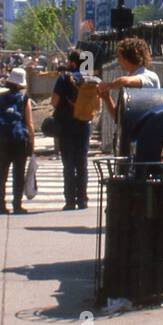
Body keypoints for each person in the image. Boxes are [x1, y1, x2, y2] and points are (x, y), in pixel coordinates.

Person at [0, 68, 35, 215]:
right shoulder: (23, 99)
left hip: (2, 139)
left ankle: (0, 206)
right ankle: (17, 205)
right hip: (19, 139)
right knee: (18, 173)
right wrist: (32, 140)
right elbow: (29, 122)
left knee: (1, 174)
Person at [52, 51, 95, 211]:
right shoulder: (89, 79)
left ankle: (70, 200)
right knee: (82, 162)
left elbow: (54, 101)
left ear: (72, 62)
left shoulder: (64, 78)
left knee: (68, 163)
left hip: (65, 124)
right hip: (84, 123)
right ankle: (82, 199)